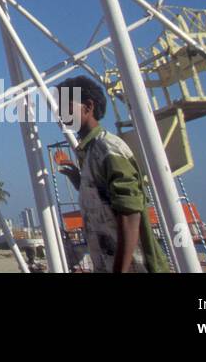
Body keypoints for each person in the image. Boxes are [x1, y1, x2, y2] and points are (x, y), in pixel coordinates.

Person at [53, 76, 169, 273]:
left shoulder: (108, 149)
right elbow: (106, 201)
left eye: (66, 106)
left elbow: (130, 213)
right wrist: (80, 182)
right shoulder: (90, 152)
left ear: (88, 107)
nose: (60, 113)